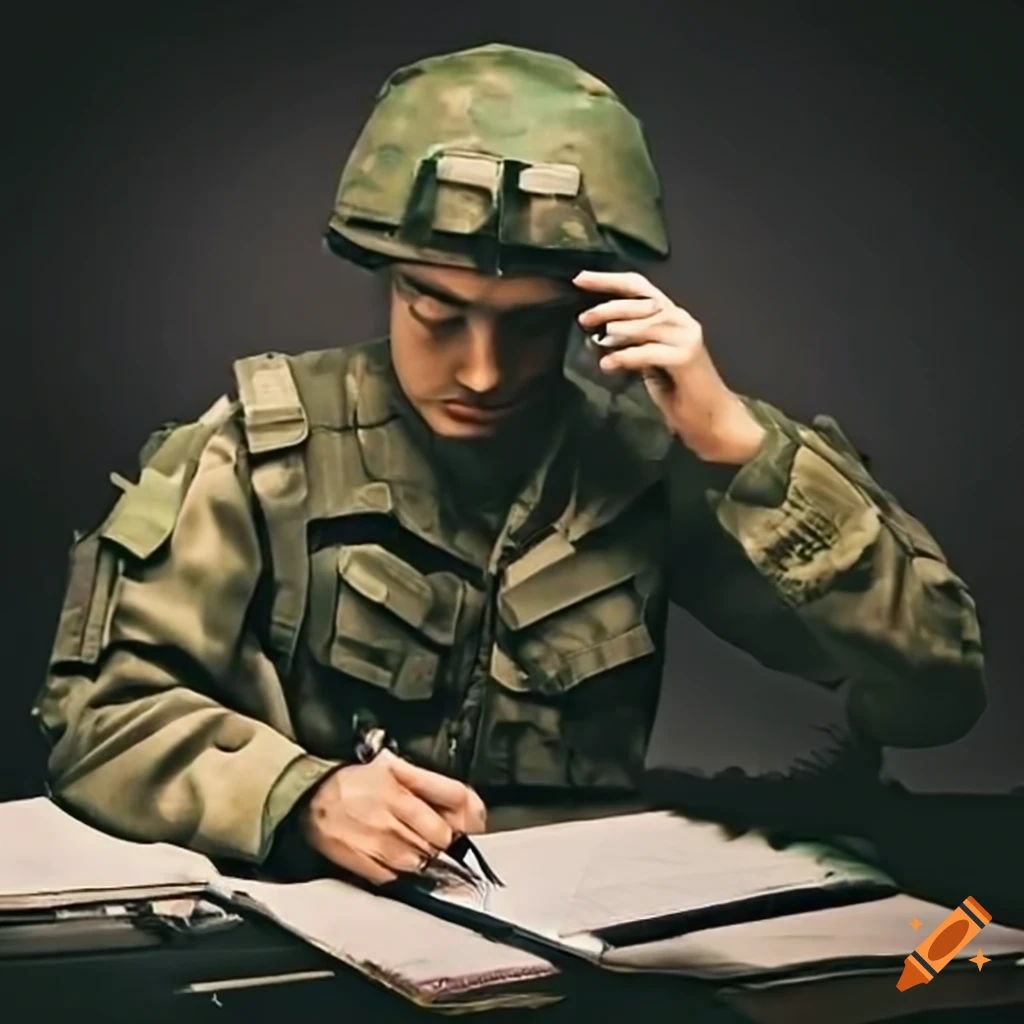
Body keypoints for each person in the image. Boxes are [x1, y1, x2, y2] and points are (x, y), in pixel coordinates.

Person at [34, 43, 986, 887]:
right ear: (386, 281)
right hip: (314, 929)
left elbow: (934, 694)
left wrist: (741, 448)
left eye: (532, 326)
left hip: (571, 927)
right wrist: (300, 796)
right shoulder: (259, 449)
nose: (482, 372)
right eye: (436, 314)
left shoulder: (647, 459)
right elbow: (100, 718)